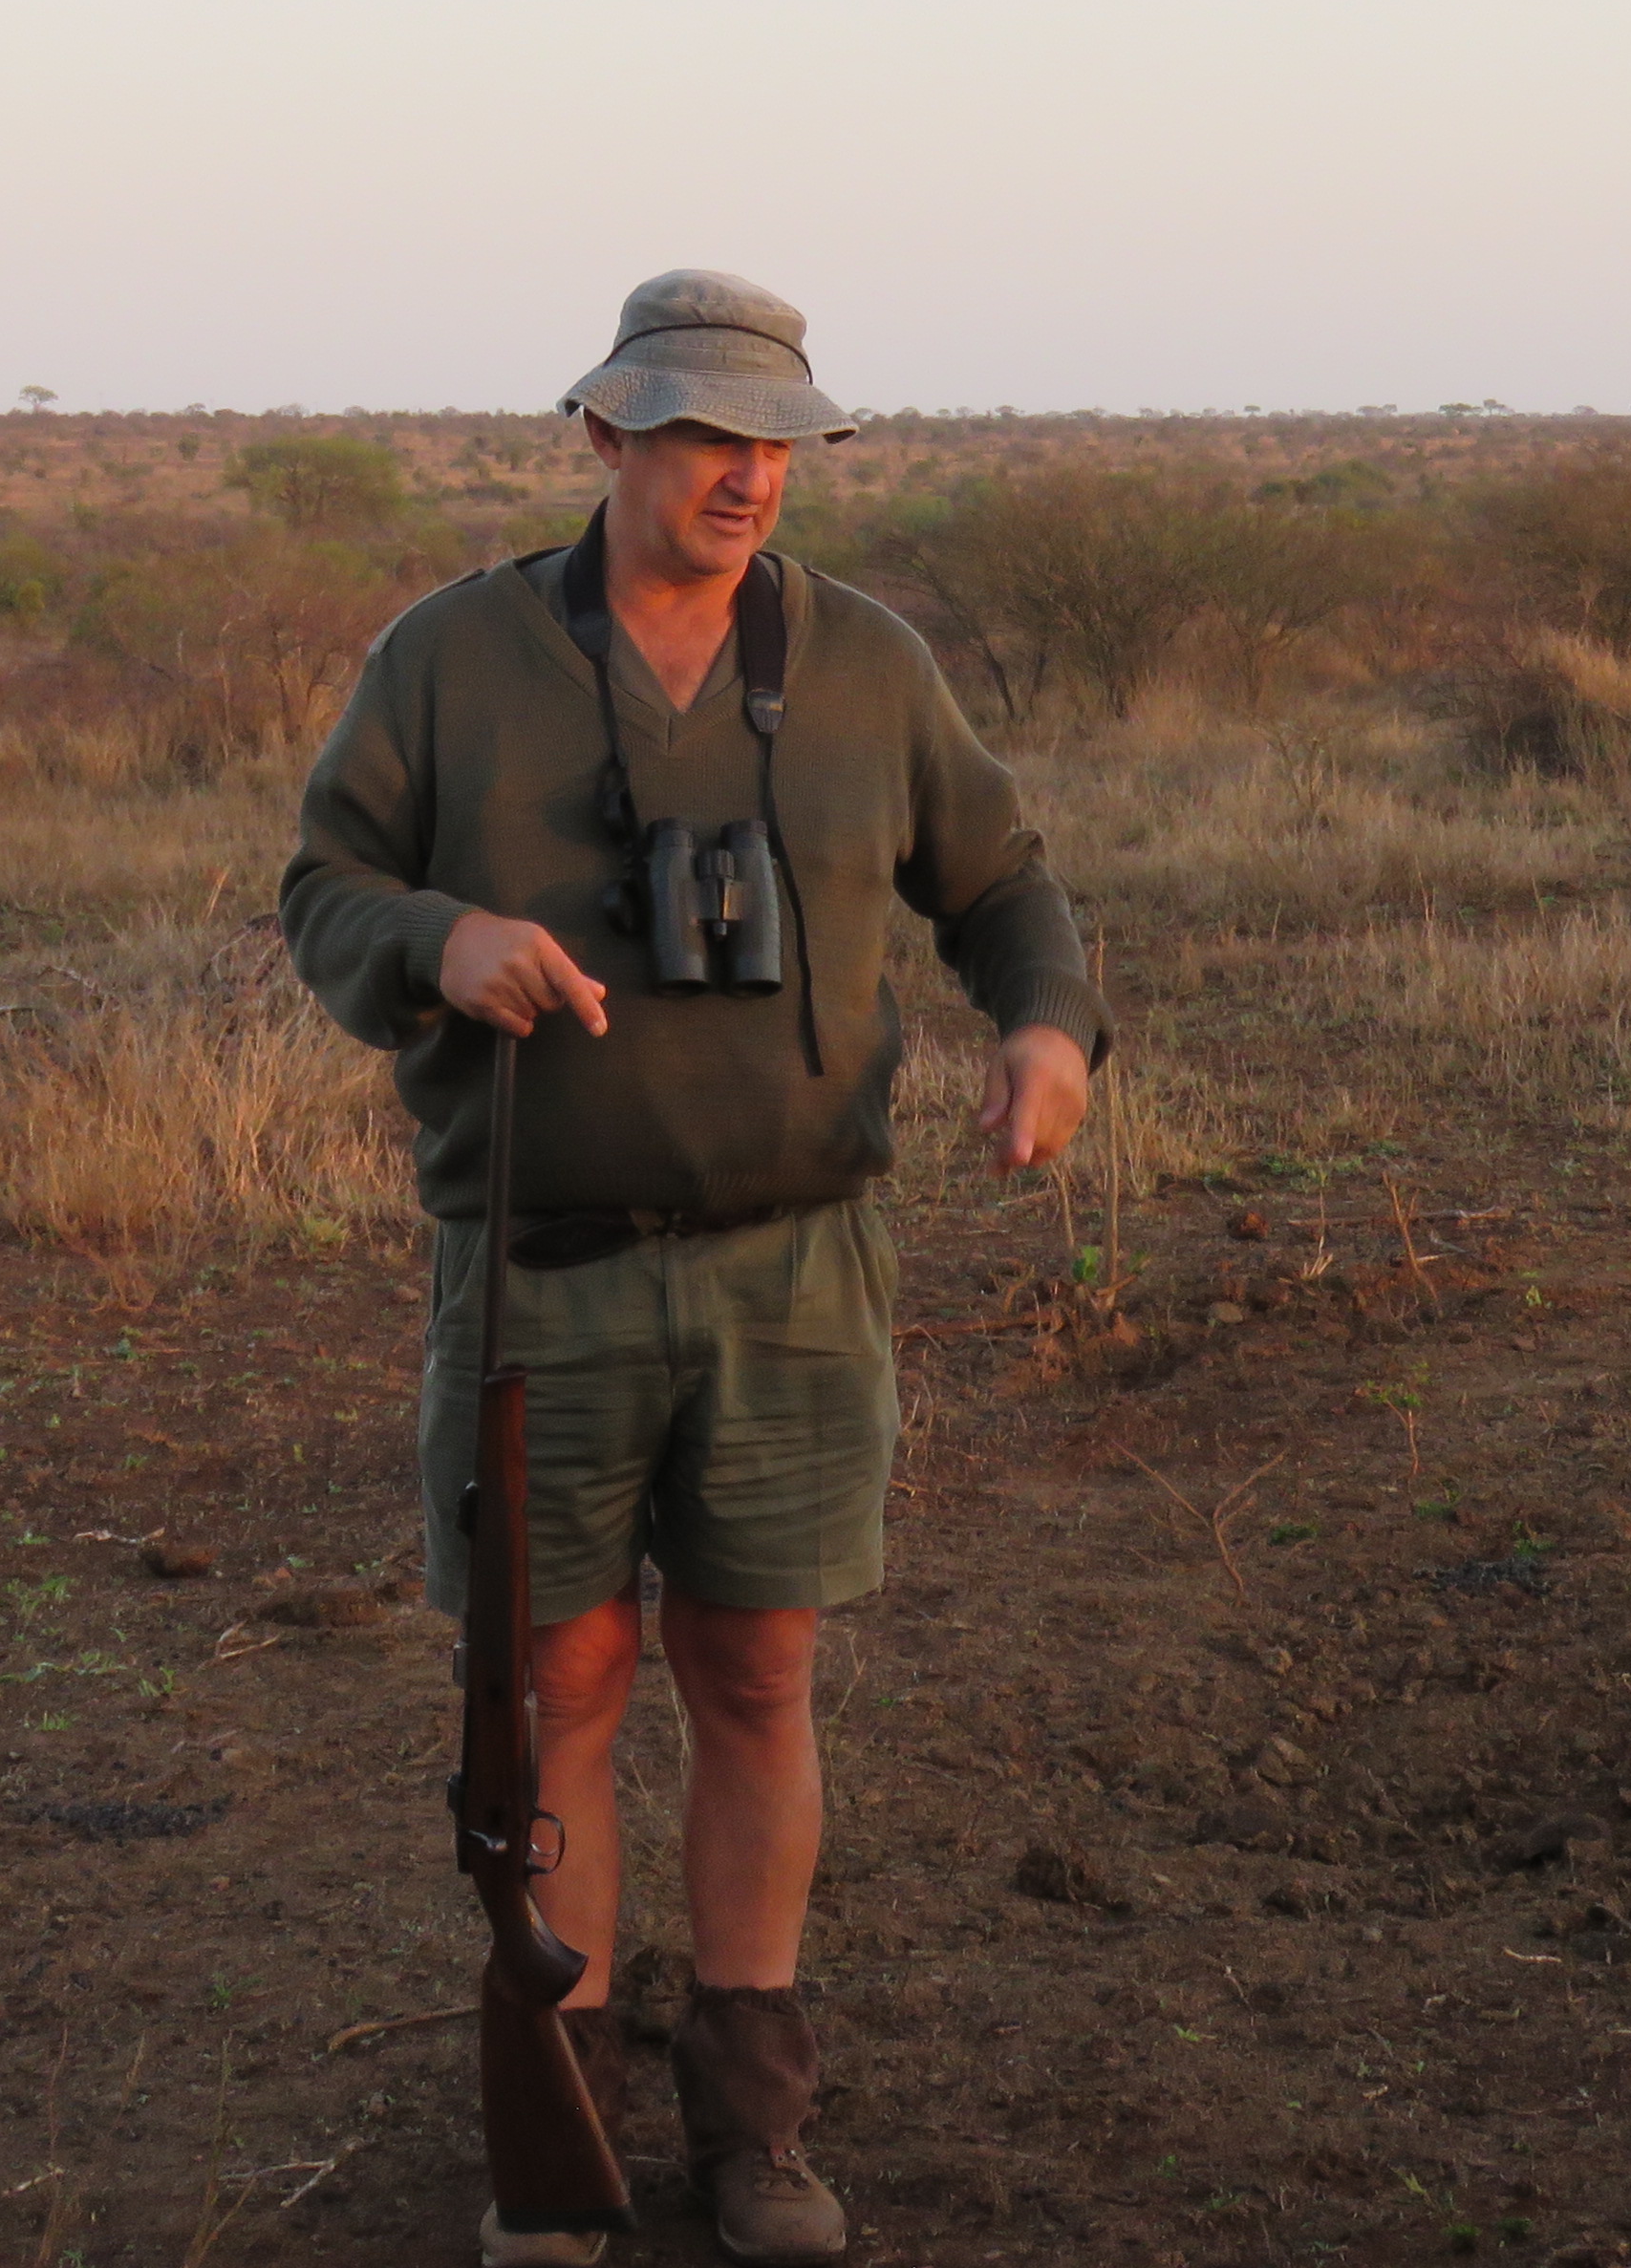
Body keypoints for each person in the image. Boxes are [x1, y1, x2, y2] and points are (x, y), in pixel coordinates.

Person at [282, 273, 1107, 2268]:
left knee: (757, 1670)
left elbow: (998, 884)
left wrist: (1048, 1028)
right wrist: (440, 944)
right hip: (536, 1271)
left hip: (798, 1268)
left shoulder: (864, 664)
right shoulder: (453, 660)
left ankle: (758, 2127)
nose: (748, 480)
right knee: (559, 1682)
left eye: (776, 446)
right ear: (606, 439)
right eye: (705, 440)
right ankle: (558, 2118)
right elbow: (326, 889)